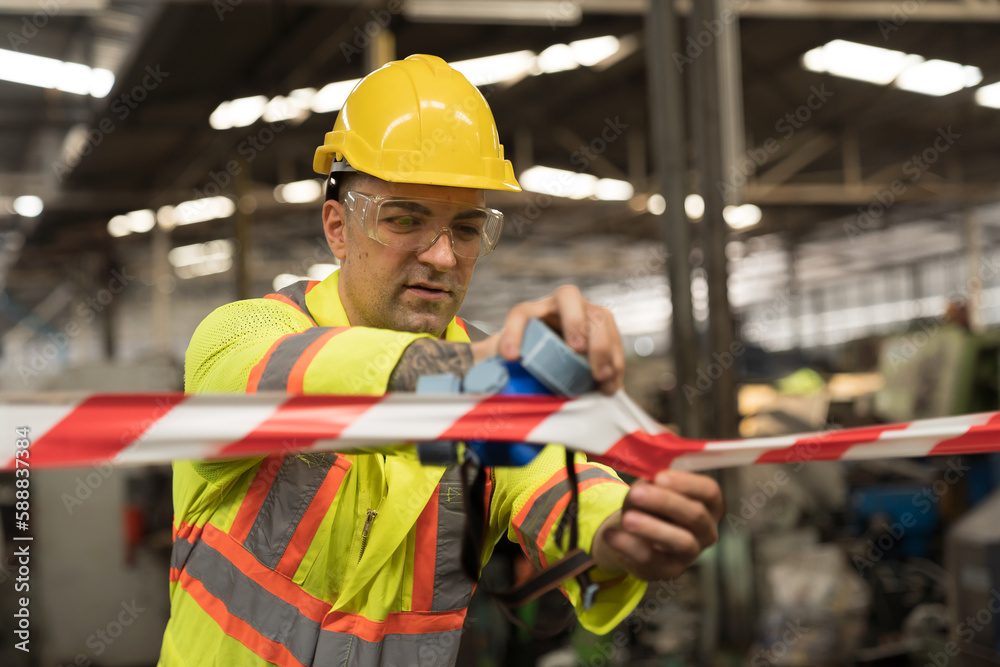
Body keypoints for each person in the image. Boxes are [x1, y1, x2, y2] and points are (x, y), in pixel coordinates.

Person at [158, 54, 723, 667]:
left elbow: (554, 485)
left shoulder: (494, 383)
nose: (443, 257)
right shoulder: (242, 333)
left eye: (467, 228)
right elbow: (304, 380)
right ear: (338, 227)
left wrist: (621, 532)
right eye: (405, 219)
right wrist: (476, 368)